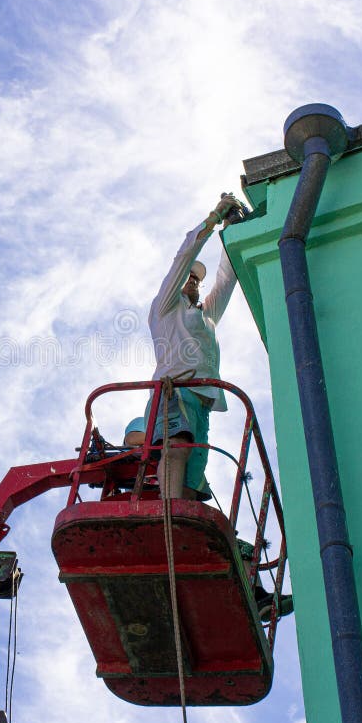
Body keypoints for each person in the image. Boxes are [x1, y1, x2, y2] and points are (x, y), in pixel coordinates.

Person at [146, 193, 241, 500]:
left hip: (202, 401)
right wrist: (213, 218)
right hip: (175, 389)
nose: (193, 281)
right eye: (189, 278)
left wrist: (232, 230)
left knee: (192, 475)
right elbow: (183, 258)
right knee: (176, 448)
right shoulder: (166, 308)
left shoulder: (204, 317)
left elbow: (226, 280)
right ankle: (168, 513)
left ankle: (180, 518)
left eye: (198, 280)